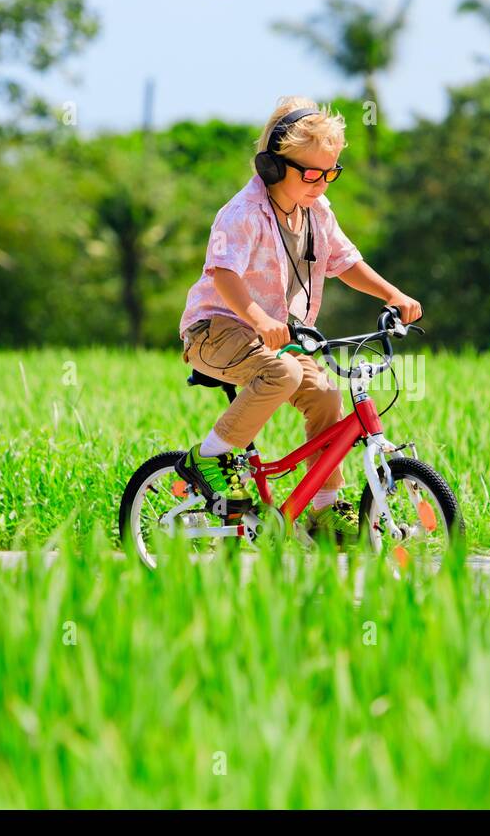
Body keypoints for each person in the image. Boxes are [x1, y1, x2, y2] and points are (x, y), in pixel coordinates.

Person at [175, 96, 421, 543]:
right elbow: (224, 272)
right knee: (285, 371)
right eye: (311, 173)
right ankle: (210, 457)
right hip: (215, 329)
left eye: (331, 174)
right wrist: (256, 316)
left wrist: (392, 294)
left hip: (277, 337)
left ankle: (325, 509)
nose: (321, 184)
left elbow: (344, 261)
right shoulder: (245, 212)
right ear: (272, 166)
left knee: (326, 393)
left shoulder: (316, 211)